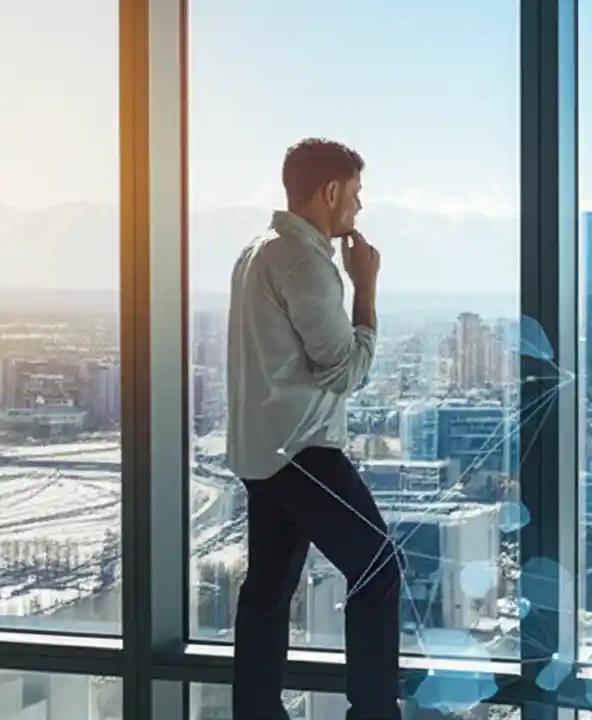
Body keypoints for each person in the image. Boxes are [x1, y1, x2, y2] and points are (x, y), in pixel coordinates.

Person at [226, 138, 401, 719]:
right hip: (303, 450)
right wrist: (366, 290)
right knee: (378, 569)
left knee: (269, 593)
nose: (359, 207)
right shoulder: (305, 262)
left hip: (262, 450)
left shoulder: (257, 252)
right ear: (330, 191)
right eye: (354, 194)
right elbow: (343, 369)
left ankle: (255, 712)